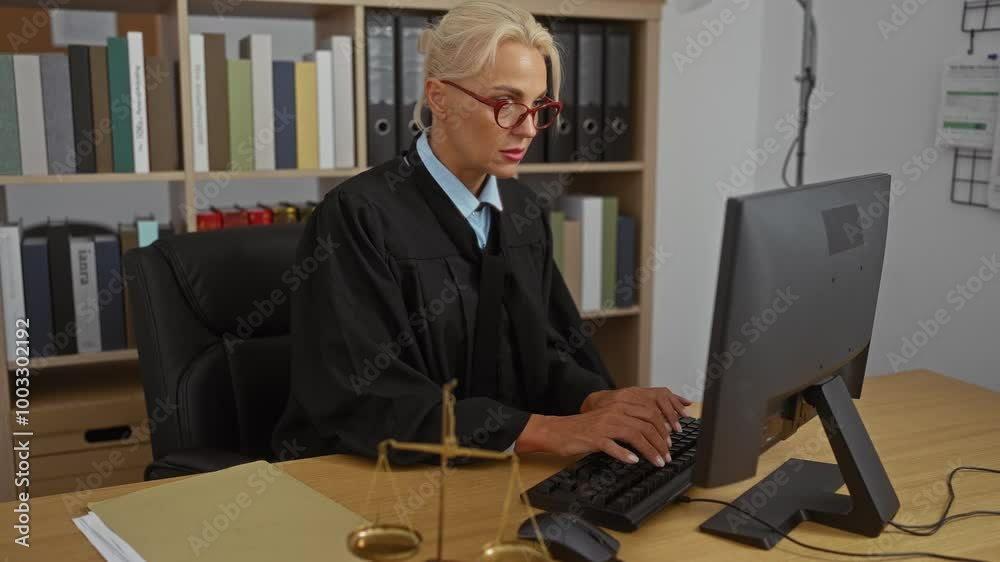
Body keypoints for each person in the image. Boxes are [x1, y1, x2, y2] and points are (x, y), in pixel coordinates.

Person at [272, 1, 691, 468]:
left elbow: (544, 354)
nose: (529, 129)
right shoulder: (359, 217)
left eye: (539, 107)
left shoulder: (523, 213)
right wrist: (548, 430)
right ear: (439, 97)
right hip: (371, 479)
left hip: (489, 473)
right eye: (506, 104)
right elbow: (366, 398)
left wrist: (595, 400)